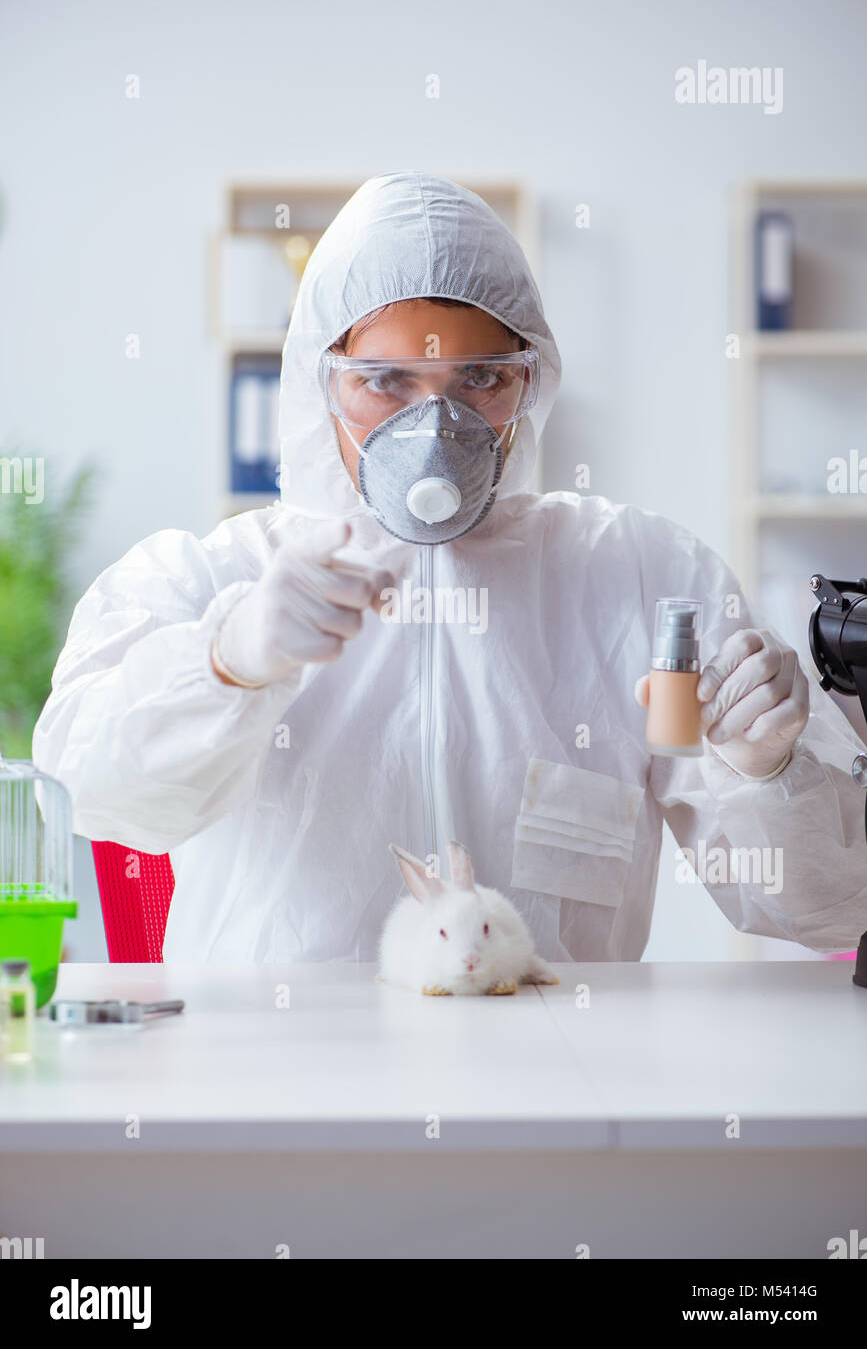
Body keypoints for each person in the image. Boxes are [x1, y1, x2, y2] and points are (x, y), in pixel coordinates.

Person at [32, 171, 867, 965]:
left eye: (478, 379)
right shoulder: (207, 578)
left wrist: (766, 774)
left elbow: (829, 908)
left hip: (556, 1076)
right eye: (385, 381)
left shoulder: (642, 576)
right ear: (319, 384)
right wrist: (229, 659)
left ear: (529, 381)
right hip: (275, 1076)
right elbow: (93, 800)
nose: (435, 425)